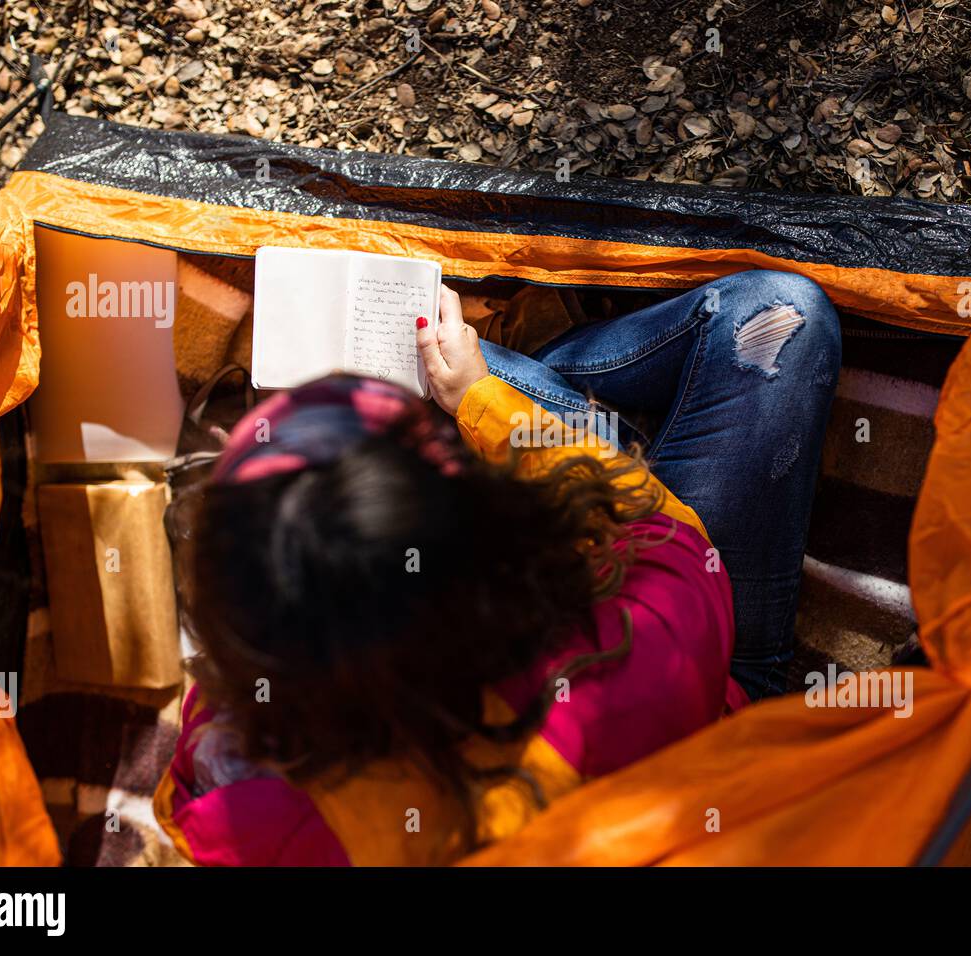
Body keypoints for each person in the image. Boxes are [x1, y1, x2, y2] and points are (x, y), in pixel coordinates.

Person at [154, 269, 839, 866]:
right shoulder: (641, 654)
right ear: (481, 536)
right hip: (715, 714)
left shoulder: (244, 814)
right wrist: (477, 401)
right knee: (779, 314)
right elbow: (660, 529)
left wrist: (267, 560)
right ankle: (497, 376)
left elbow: (215, 741)